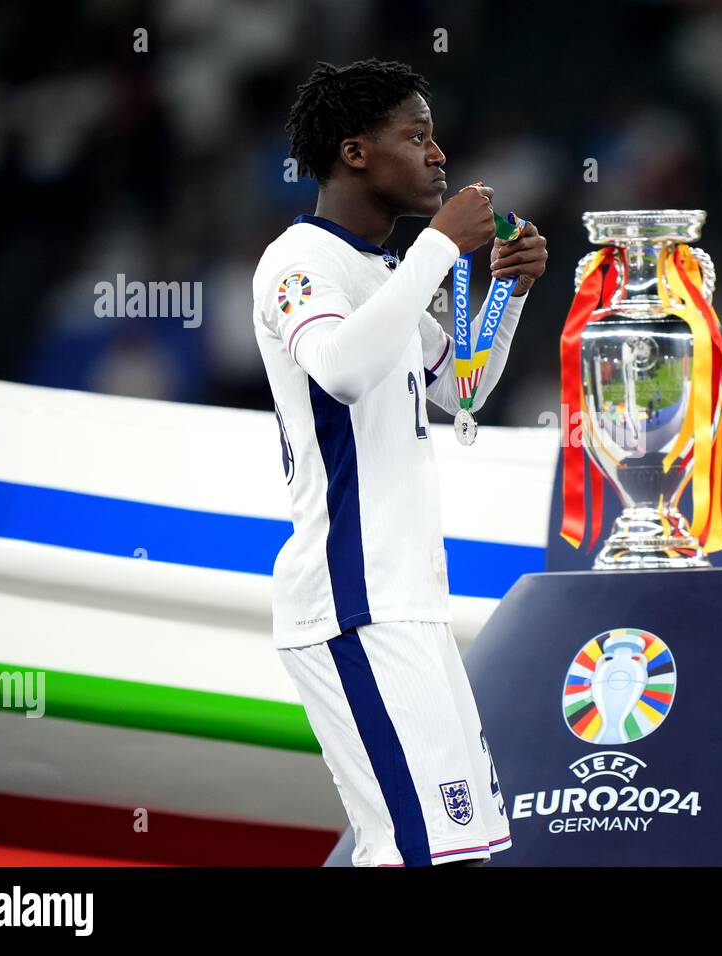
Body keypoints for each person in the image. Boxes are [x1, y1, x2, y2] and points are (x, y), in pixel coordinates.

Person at [251, 58, 547, 866]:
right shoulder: (299, 259)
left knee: (458, 850)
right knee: (417, 853)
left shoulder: (385, 272)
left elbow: (465, 392)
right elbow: (341, 369)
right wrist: (441, 247)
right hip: (352, 603)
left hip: (405, 602)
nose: (438, 153)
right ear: (354, 153)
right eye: (416, 135)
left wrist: (506, 294)